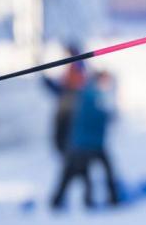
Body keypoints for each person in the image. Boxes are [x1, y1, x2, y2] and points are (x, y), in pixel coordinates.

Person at [50, 71, 121, 210]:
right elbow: (95, 117)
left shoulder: (91, 94)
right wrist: (107, 115)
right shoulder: (91, 95)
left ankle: (64, 201)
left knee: (76, 172)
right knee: (79, 172)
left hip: (87, 143)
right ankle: (109, 200)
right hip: (87, 143)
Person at [42, 43, 87, 157]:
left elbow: (70, 86)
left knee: (67, 137)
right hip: (67, 106)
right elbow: (61, 89)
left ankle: (73, 160)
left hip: (70, 108)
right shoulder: (72, 68)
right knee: (62, 139)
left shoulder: (77, 65)